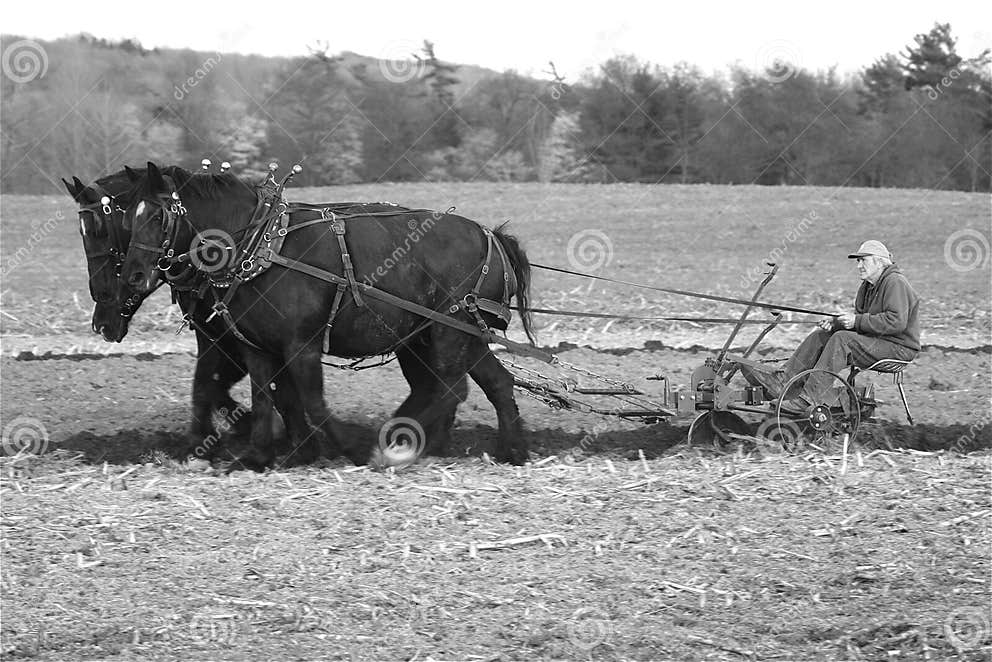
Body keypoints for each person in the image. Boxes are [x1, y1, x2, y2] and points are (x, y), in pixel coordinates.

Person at [741, 240, 920, 410]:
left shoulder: (895, 282)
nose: (858, 266)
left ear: (879, 262)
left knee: (843, 340)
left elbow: (895, 322)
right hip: (878, 340)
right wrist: (835, 324)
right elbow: (861, 323)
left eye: (863, 260)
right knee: (821, 336)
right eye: (858, 261)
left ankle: (810, 397)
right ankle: (783, 382)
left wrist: (855, 321)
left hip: (899, 347)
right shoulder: (867, 287)